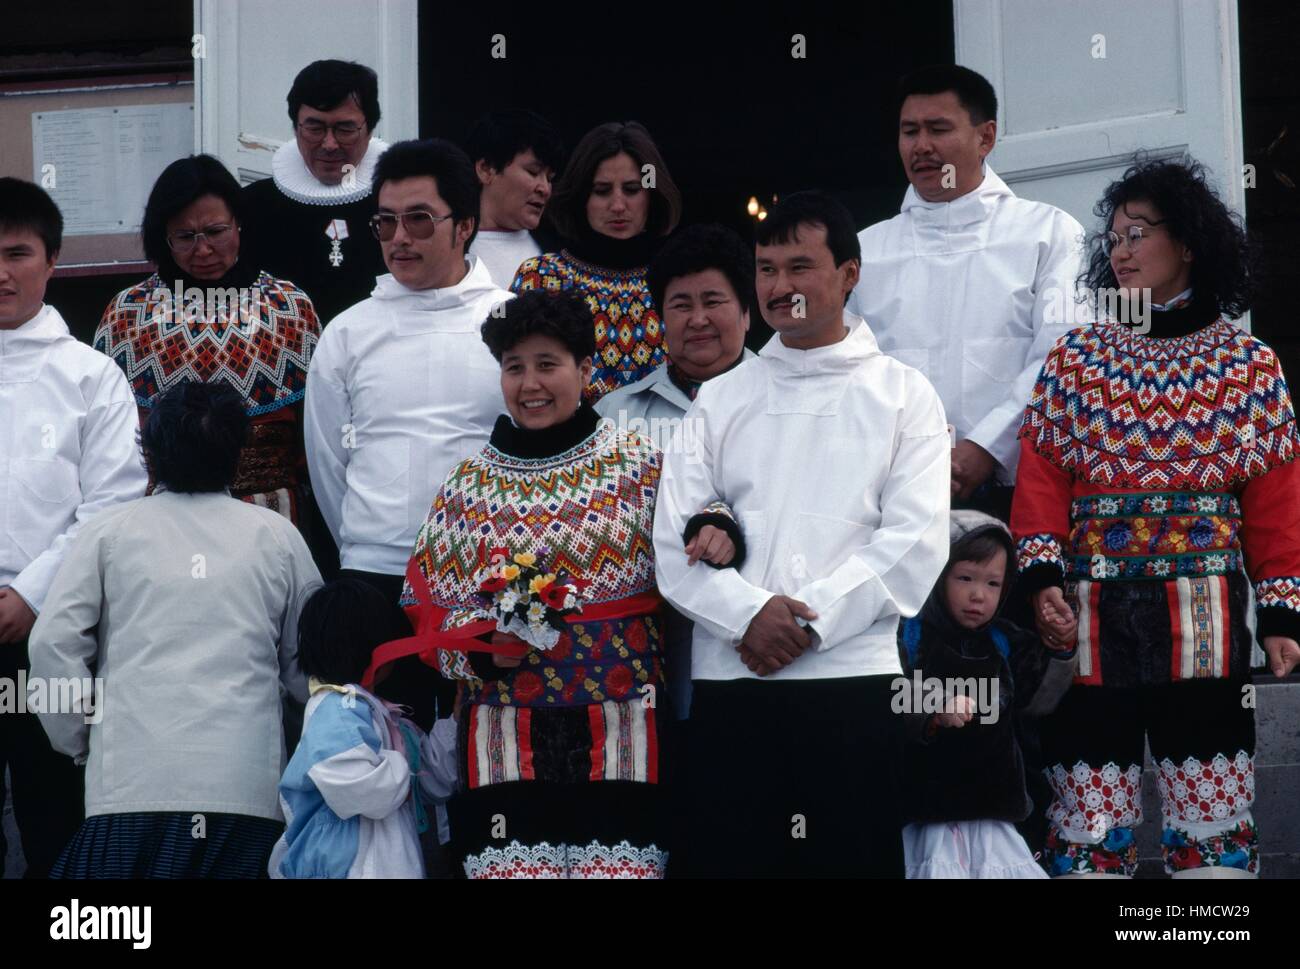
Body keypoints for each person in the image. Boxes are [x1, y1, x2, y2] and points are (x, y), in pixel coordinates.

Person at [1011, 158, 1300, 878]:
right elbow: (1042, 474)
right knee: (1087, 828)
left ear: (1192, 242)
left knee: (1211, 829)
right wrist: (1040, 573)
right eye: (1112, 238)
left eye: (1138, 233)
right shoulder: (1077, 359)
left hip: (1204, 630)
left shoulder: (1248, 364)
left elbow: (1273, 501)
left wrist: (1284, 612)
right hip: (1088, 631)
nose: (1121, 250)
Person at [385, 291, 735, 879]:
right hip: (501, 737)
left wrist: (717, 526)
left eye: (548, 364)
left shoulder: (639, 465)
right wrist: (483, 650)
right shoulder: (466, 488)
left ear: (586, 370)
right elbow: (424, 611)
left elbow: (706, 511)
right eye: (514, 367)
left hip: (624, 730)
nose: (530, 384)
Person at [654, 191, 951, 877]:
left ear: (849, 273)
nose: (779, 286)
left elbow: (914, 541)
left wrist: (806, 625)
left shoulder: (904, 393)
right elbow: (676, 542)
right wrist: (750, 614)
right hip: (734, 678)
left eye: (800, 266)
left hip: (850, 680)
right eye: (765, 268)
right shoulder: (723, 397)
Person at [30, 382, 322, 878]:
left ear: (149, 451)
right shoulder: (278, 537)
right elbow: (309, 671)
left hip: (127, 789)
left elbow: (52, 645)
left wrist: (79, 741)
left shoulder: (107, 533)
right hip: (245, 792)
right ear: (237, 450)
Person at [304, 138, 511, 728]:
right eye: (386, 222)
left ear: (465, 224)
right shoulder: (348, 332)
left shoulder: (509, 322)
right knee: (381, 763)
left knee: (479, 751)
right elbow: (327, 462)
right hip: (373, 579)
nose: (400, 237)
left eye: (420, 219)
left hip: (487, 576)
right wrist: (374, 538)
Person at [848, 64, 1084, 520]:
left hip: (1020, 490)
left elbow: (1064, 355)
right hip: (890, 497)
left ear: (986, 137)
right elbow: (843, 370)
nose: (922, 146)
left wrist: (985, 447)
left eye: (938, 129)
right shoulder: (866, 250)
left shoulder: (1047, 232)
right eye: (909, 131)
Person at [0, 178, 147, 878]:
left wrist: (30, 594)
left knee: (54, 805)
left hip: (51, 631)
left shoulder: (92, 377)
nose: (1, 272)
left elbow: (111, 504)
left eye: (16, 252)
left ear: (51, 260)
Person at [95, 155, 320, 525]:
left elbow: (316, 435)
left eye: (216, 232)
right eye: (185, 237)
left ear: (239, 224)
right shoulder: (129, 314)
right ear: (162, 237)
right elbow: (106, 438)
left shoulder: (288, 308)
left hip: (271, 515)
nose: (202, 250)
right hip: (159, 517)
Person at [598, 222, 757, 721]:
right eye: (681, 305)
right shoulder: (613, 415)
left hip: (754, 639)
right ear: (660, 318)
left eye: (714, 301)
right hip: (641, 651)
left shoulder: (786, 404)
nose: (699, 319)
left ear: (748, 312)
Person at [898, 511, 1075, 879]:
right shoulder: (911, 636)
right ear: (935, 576)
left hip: (993, 809)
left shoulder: (1004, 641)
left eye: (993, 584)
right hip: (930, 812)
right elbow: (888, 695)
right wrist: (934, 708)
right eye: (964, 578)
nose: (978, 595)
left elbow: (1038, 698)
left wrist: (1062, 649)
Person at [269, 579, 457, 879]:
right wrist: (402, 761)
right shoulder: (335, 711)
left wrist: (456, 720)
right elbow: (368, 794)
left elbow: (434, 780)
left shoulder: (378, 714)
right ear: (374, 647)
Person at [511, 121, 681, 403]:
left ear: (651, 195)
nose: (617, 205)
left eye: (632, 189)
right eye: (602, 191)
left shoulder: (678, 279)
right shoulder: (541, 278)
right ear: (582, 197)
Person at [241, 60, 389, 326]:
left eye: (345, 129)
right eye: (314, 129)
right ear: (295, 127)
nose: (329, 144)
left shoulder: (400, 204)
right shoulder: (251, 206)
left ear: (370, 128)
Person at [465, 109, 565, 288]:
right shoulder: (450, 249)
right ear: (486, 169)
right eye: (533, 172)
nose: (545, 189)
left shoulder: (562, 255)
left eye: (549, 178)